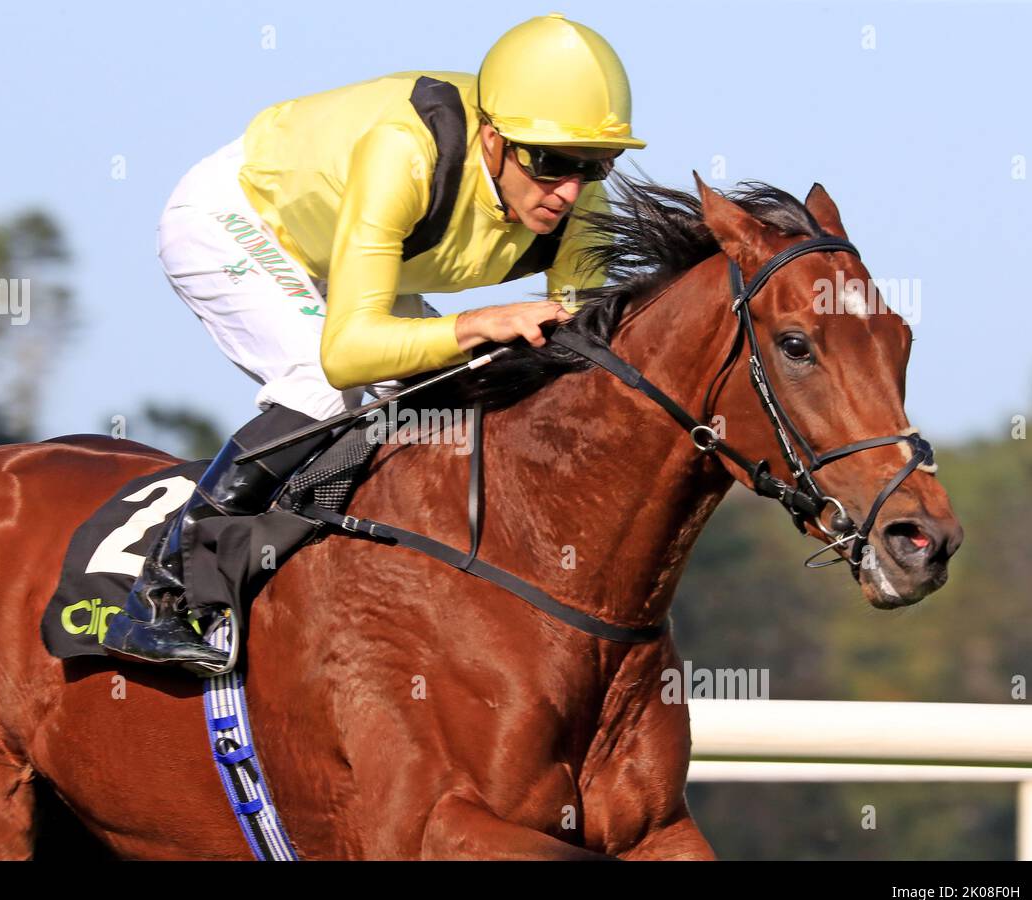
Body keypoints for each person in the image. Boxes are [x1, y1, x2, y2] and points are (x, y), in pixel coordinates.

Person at [102, 13, 647, 665]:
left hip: (344, 254)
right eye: (552, 162)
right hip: (241, 217)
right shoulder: (406, 150)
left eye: (596, 166)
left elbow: (577, 371)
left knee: (425, 402)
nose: (569, 192)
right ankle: (162, 592)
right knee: (324, 384)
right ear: (495, 139)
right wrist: (477, 323)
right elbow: (346, 355)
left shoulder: (584, 207)